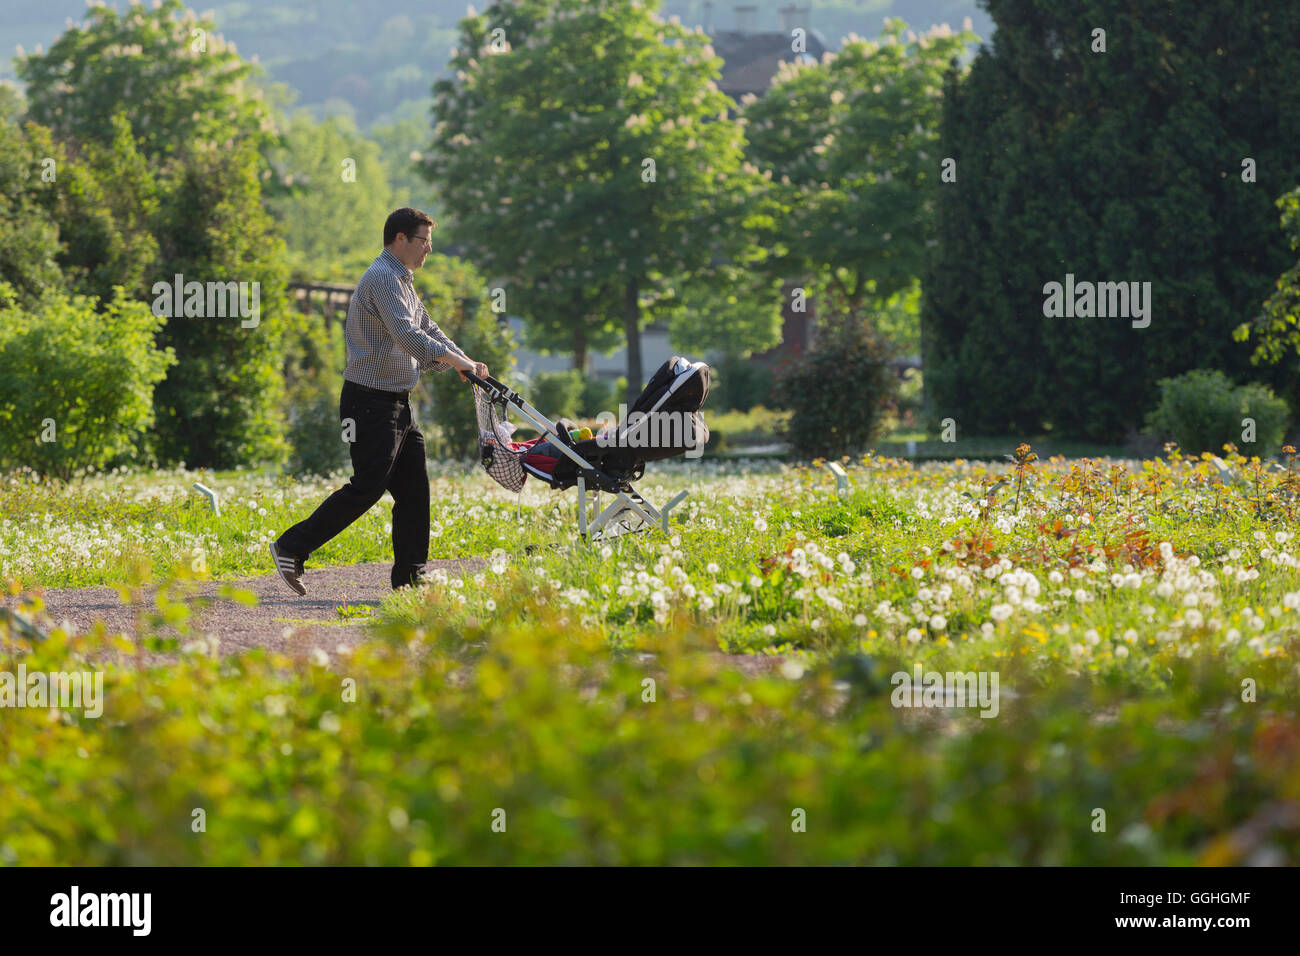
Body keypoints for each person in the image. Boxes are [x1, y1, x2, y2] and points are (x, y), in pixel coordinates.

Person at [270, 208, 488, 593]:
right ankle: (291, 546)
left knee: (415, 492)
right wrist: (454, 361)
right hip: (369, 404)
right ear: (400, 239)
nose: (430, 249)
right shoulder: (383, 278)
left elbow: (428, 328)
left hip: (399, 404)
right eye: (424, 241)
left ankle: (410, 579)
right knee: (367, 487)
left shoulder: (403, 280)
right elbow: (408, 337)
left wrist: (464, 361)